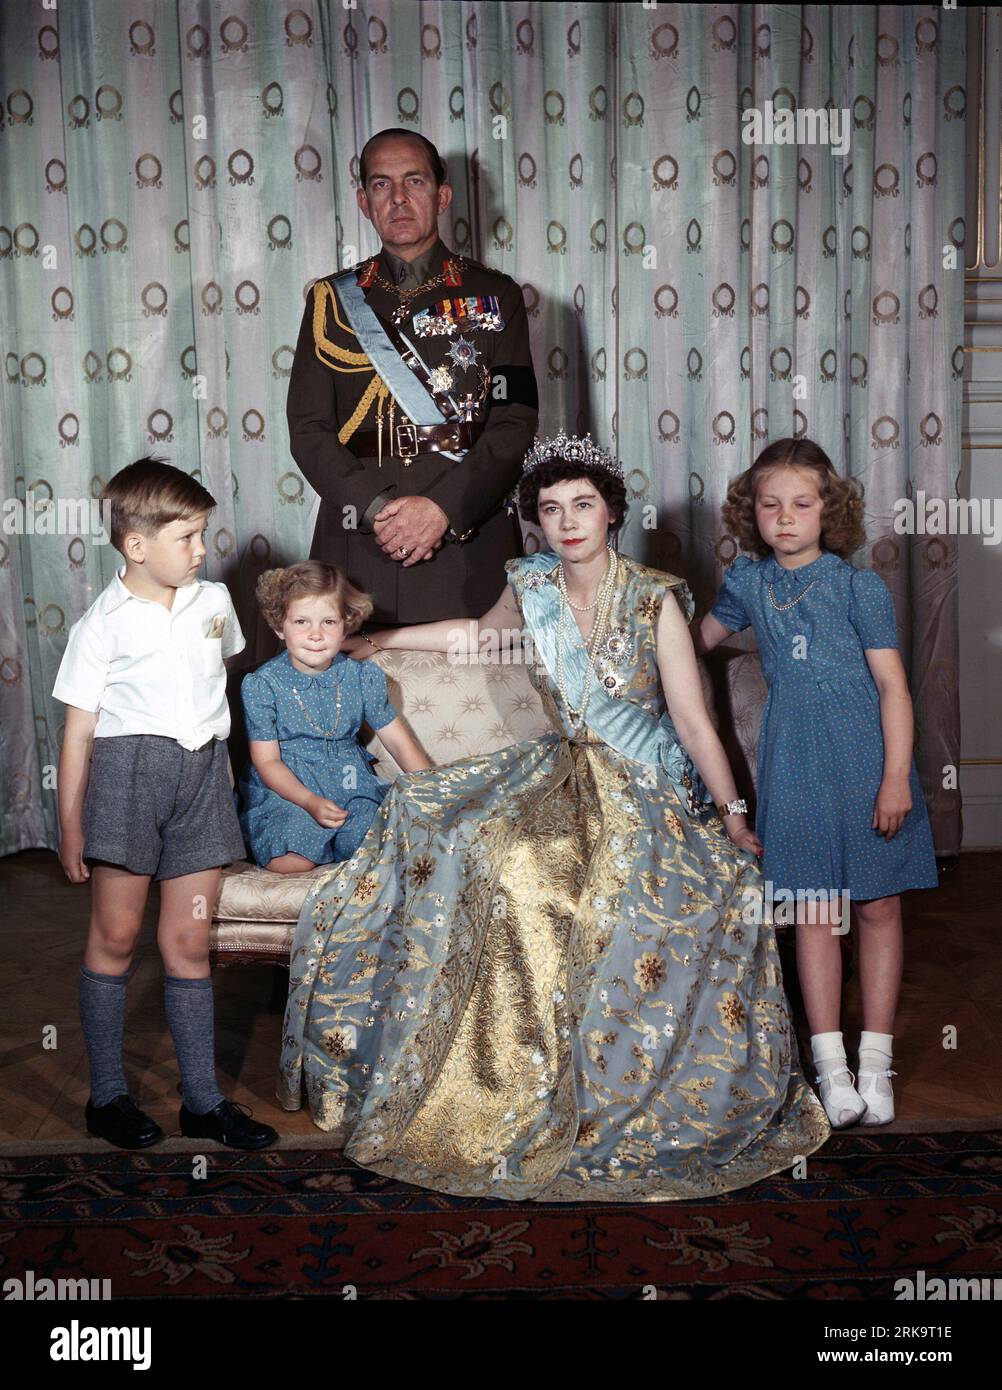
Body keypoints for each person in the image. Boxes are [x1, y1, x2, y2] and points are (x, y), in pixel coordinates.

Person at [277, 433, 830, 1202]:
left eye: (583, 505)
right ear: (535, 520)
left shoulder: (653, 597)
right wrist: (378, 642)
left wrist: (734, 815)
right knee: (489, 855)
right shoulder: (531, 583)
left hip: (642, 785)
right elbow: (477, 637)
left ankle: (597, 1092)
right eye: (550, 509)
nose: (568, 522)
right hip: (557, 771)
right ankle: (498, 1083)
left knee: (573, 882)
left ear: (611, 514)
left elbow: (696, 722)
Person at [695, 438, 939, 1129]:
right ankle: (830, 1068)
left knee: (878, 907)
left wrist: (896, 779)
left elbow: (893, 687)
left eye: (802, 504)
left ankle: (875, 1064)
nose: (786, 517)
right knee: (813, 912)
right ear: (753, 511)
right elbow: (693, 643)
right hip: (793, 764)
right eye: (771, 505)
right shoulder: (748, 583)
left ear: (828, 510)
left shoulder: (859, 586)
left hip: (867, 762)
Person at [53, 458, 277, 1151]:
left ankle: (203, 1103)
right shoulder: (102, 624)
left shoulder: (214, 604)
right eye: (187, 537)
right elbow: (79, 732)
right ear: (136, 545)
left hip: (203, 777)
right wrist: (69, 827)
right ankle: (108, 1096)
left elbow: (218, 685)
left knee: (186, 942)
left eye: (203, 534)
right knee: (117, 938)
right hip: (127, 778)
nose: (202, 550)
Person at [287, 127, 539, 625]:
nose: (398, 198)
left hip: (467, 538)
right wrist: (378, 509)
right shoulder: (330, 301)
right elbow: (308, 429)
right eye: (381, 185)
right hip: (360, 538)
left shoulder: (497, 295)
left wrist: (441, 509)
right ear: (364, 201)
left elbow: (514, 423)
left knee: (476, 695)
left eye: (415, 182)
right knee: (354, 694)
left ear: (442, 195)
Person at [239, 561, 431, 873]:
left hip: (350, 784)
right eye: (301, 621)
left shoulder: (362, 675)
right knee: (290, 860)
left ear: (346, 625)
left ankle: (345, 851)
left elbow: (398, 742)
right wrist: (309, 802)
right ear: (279, 626)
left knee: (381, 848)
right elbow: (267, 762)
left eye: (328, 621)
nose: (315, 634)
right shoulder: (263, 684)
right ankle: (316, 846)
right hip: (290, 788)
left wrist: (437, 793)